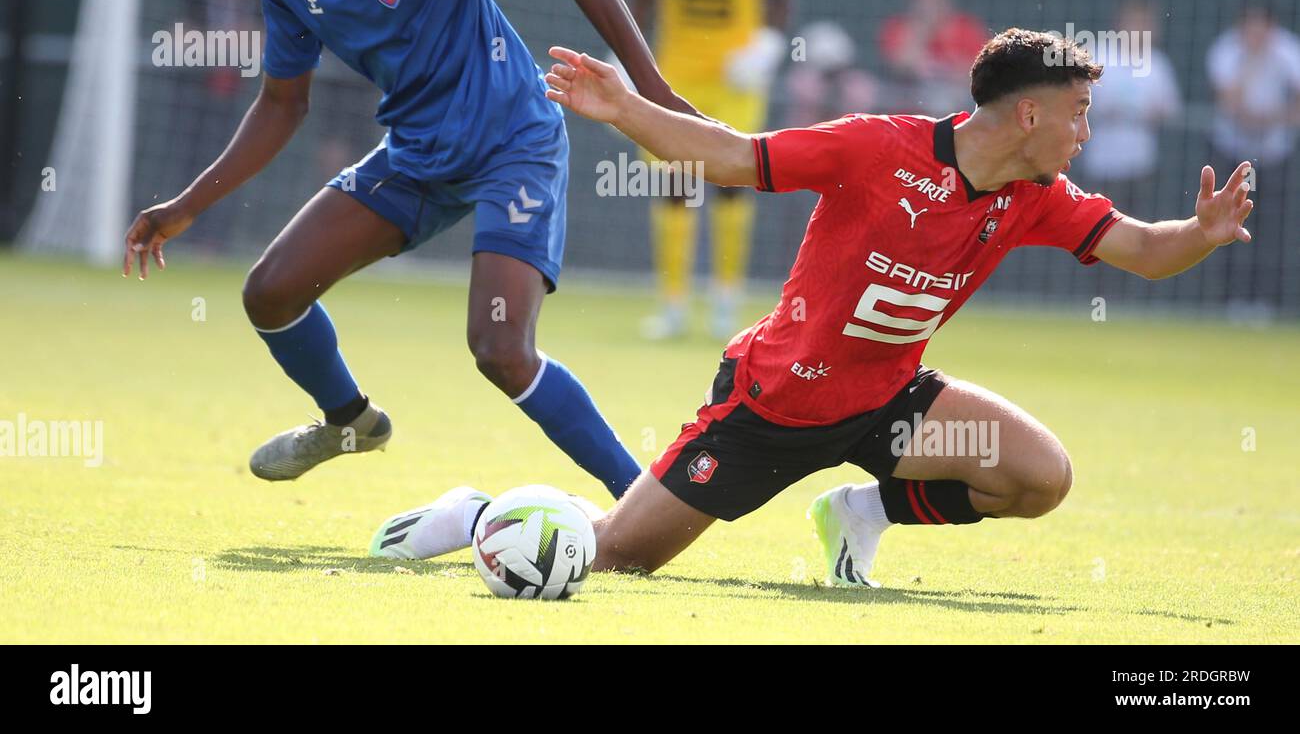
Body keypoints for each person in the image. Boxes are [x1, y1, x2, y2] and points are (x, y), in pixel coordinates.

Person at [372, 29, 1254, 587]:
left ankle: (861, 512)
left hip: (891, 409)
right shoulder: (877, 147)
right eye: (1078, 112)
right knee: (611, 557)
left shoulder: (1036, 193)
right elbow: (727, 156)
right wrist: (626, 109)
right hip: (770, 407)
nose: (1085, 131)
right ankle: (471, 514)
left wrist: (1200, 232)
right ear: (1028, 113)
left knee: (1038, 477)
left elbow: (1142, 247)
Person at [122, 0, 697, 498]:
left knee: (499, 349)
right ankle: (350, 421)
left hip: (511, 140)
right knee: (270, 292)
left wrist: (657, 92)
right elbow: (280, 104)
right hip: (418, 153)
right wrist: (187, 205)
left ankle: (643, 503)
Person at [624, 0, 794, 340]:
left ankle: (726, 301)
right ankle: (674, 304)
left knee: (732, 179)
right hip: (676, 71)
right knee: (674, 183)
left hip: (736, 75)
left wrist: (767, 44)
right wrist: (629, 51)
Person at [1205, 5, 1300, 315]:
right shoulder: (1226, 51)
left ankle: (1262, 303)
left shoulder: (1287, 49)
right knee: (1228, 222)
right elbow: (1231, 101)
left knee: (1268, 228)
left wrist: (1276, 118)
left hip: (1272, 157)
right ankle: (1232, 302)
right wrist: (1250, 62)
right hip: (1233, 156)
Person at [1074, 0, 1182, 221]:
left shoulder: (1158, 62)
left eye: (1144, 24)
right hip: (1100, 162)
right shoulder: (1098, 54)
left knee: (1136, 225)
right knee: (1093, 226)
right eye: (1133, 22)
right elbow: (1075, 95)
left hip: (1140, 164)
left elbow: (1170, 109)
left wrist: (1150, 113)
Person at [878, 0, 986, 117]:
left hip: (955, 110)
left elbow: (974, 73)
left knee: (946, 98)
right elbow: (901, 65)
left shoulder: (966, 26)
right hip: (909, 106)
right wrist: (923, 24)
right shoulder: (899, 25)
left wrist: (946, 30)